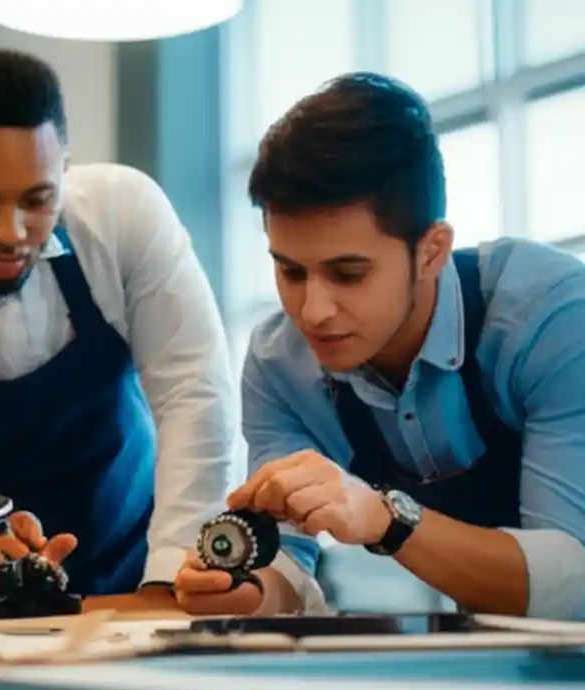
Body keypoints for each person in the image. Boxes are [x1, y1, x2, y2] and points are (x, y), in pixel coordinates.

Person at [0, 49, 315, 612]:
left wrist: (169, 579)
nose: (9, 231)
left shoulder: (124, 215)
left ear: (65, 173)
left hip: (151, 557)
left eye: (38, 199)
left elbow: (193, 394)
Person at [182, 71, 585, 620]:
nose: (313, 311)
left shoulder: (552, 317)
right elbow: (286, 563)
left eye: (348, 274)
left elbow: (573, 585)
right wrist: (249, 592)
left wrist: (387, 518)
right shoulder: (280, 367)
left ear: (431, 251)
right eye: (291, 272)